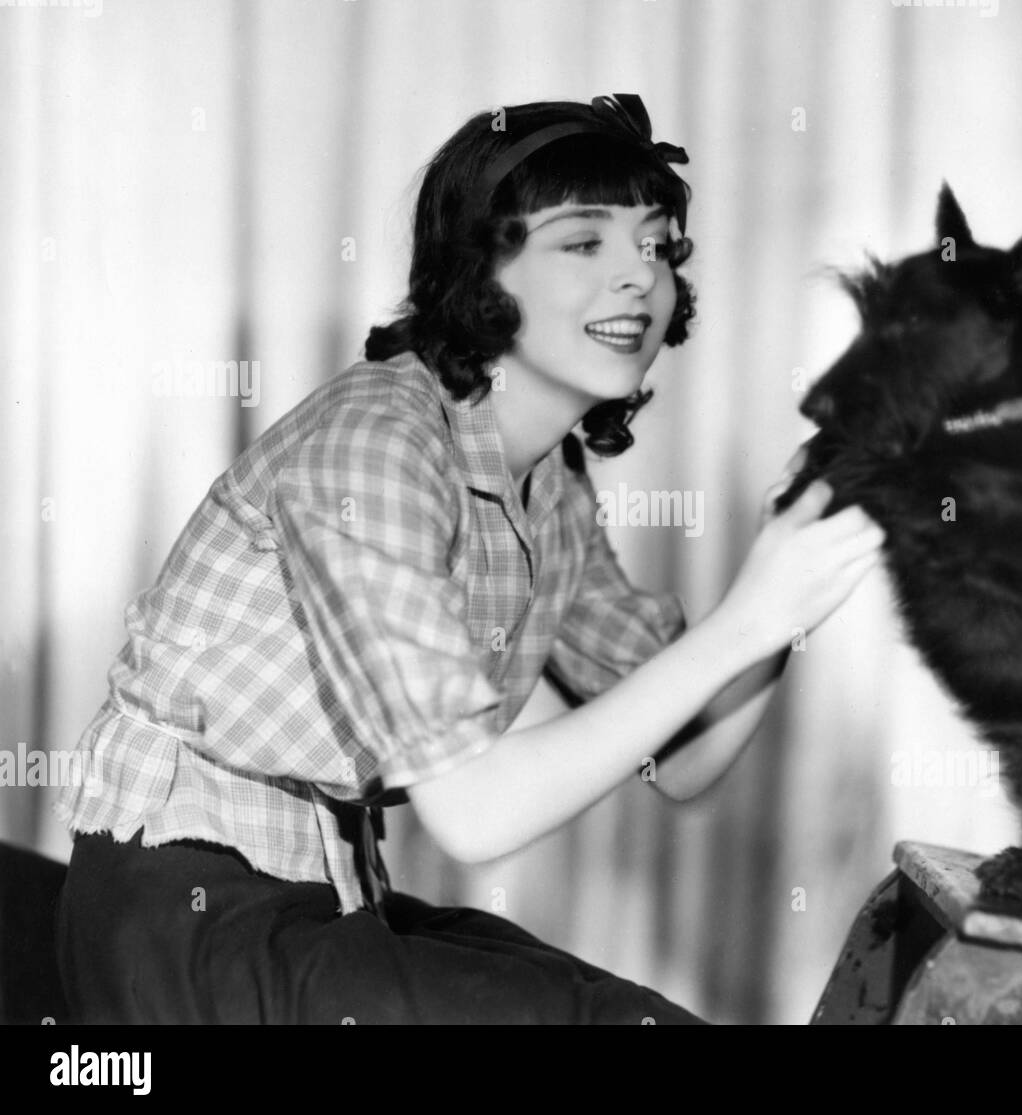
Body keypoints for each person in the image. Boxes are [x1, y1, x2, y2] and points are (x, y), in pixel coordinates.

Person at [55, 94, 881, 1024]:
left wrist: (806, 553)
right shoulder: (376, 443)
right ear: (482, 273)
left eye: (653, 246)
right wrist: (750, 618)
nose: (636, 280)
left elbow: (681, 758)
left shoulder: (551, 483)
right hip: (183, 915)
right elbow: (476, 814)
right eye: (584, 244)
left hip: (324, 895)